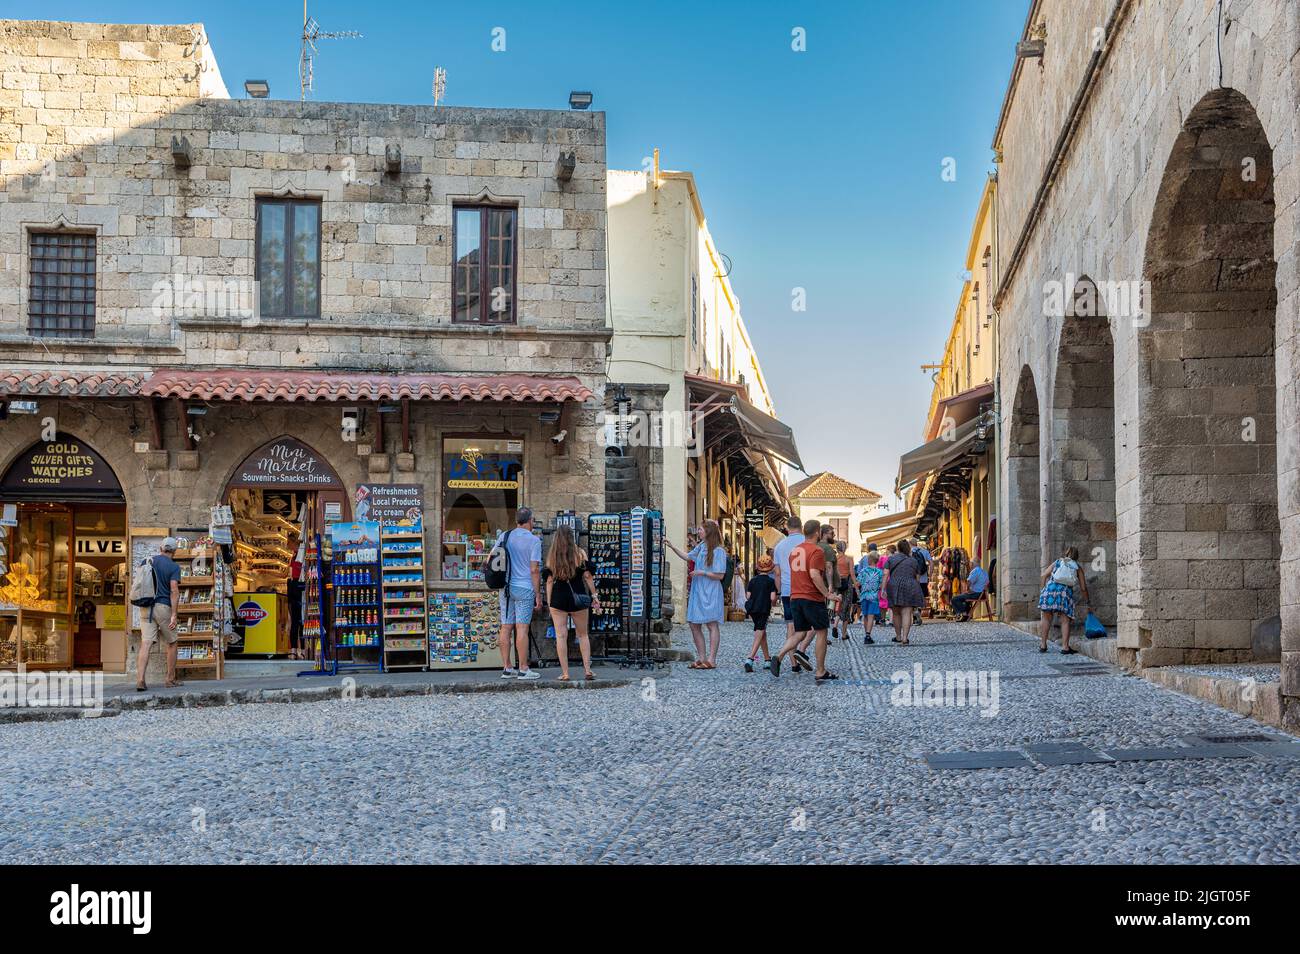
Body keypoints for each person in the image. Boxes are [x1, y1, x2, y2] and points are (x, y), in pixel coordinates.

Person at [771, 519, 838, 681]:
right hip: (811, 597)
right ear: (817, 533)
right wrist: (827, 594)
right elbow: (814, 574)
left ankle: (779, 656)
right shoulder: (816, 551)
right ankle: (820, 671)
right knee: (821, 631)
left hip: (795, 596)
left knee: (800, 632)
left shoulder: (794, 551)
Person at [667, 519, 727, 669]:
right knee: (694, 624)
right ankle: (702, 657)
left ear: (708, 532)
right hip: (699, 590)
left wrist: (702, 572)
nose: (698, 531)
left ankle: (711, 659)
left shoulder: (719, 551)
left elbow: (720, 575)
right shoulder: (701, 547)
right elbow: (688, 556)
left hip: (711, 590)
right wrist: (672, 546)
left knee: (711, 624)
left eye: (700, 529)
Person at [543, 525, 601, 681]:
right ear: (571, 537)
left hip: (558, 598)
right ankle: (587, 669)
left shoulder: (552, 555)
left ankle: (565, 673)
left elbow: (549, 581)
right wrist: (594, 596)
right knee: (583, 635)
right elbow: (588, 577)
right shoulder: (580, 553)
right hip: (578, 597)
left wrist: (549, 602)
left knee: (561, 636)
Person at [497, 507, 543, 681]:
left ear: (517, 520)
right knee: (522, 628)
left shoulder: (505, 536)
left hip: (506, 588)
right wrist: (538, 594)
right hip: (524, 588)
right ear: (530, 520)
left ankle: (507, 668)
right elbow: (534, 569)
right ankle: (523, 668)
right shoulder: (534, 541)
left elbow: (490, 559)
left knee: (506, 627)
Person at [136, 536, 182, 691]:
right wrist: (174, 614)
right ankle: (170, 679)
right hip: (163, 607)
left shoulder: (147, 561)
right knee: (172, 642)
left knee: (146, 643)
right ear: (174, 551)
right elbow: (174, 591)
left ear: (160, 548)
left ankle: (141, 680)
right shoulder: (173, 567)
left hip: (146, 607)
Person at [1038, 546, 1089, 654]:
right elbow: (1083, 588)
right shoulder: (1077, 567)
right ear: (1077, 556)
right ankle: (1065, 647)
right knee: (1065, 621)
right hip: (1064, 593)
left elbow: (1043, 576)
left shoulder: (1057, 562)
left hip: (1049, 591)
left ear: (1066, 553)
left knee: (1046, 618)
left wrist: (1043, 591)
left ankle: (1043, 645)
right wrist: (1087, 601)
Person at [770, 515, 805, 665]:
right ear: (801, 526)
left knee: (791, 625)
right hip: (804, 590)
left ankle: (793, 664)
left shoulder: (779, 546)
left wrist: (777, 592)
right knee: (809, 627)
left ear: (787, 527)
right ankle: (800, 651)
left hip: (787, 590)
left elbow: (777, 573)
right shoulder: (806, 543)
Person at [883, 538, 924, 645]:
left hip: (894, 585)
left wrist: (883, 588)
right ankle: (905, 638)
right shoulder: (913, 560)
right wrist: (916, 587)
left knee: (896, 613)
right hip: (910, 584)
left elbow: (885, 574)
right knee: (907, 612)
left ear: (898, 548)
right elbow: (918, 577)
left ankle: (898, 636)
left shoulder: (891, 559)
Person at [743, 554, 778, 672]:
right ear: (770, 568)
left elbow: (748, 596)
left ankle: (767, 659)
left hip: (753, 610)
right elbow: (773, 598)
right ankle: (750, 658)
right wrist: (773, 603)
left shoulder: (753, 580)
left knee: (762, 633)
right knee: (760, 632)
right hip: (764, 609)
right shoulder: (770, 582)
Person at [856, 552, 885, 645]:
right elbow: (881, 585)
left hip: (864, 596)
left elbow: (858, 583)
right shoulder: (879, 572)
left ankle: (866, 634)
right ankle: (868, 635)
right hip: (873, 597)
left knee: (865, 616)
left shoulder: (863, 571)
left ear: (869, 560)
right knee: (871, 616)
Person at [833, 540, 854, 639]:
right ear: (845, 548)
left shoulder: (835, 559)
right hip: (847, 584)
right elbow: (852, 574)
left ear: (837, 548)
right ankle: (844, 634)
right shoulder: (849, 559)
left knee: (838, 605)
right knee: (846, 607)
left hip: (837, 584)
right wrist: (857, 588)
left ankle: (836, 624)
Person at [911, 538, 931, 625]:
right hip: (923, 579)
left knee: (912, 597)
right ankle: (918, 611)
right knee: (921, 596)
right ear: (916, 543)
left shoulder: (908, 552)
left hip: (913, 579)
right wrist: (929, 574)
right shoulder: (924, 551)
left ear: (910, 544)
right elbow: (931, 562)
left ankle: (914, 616)